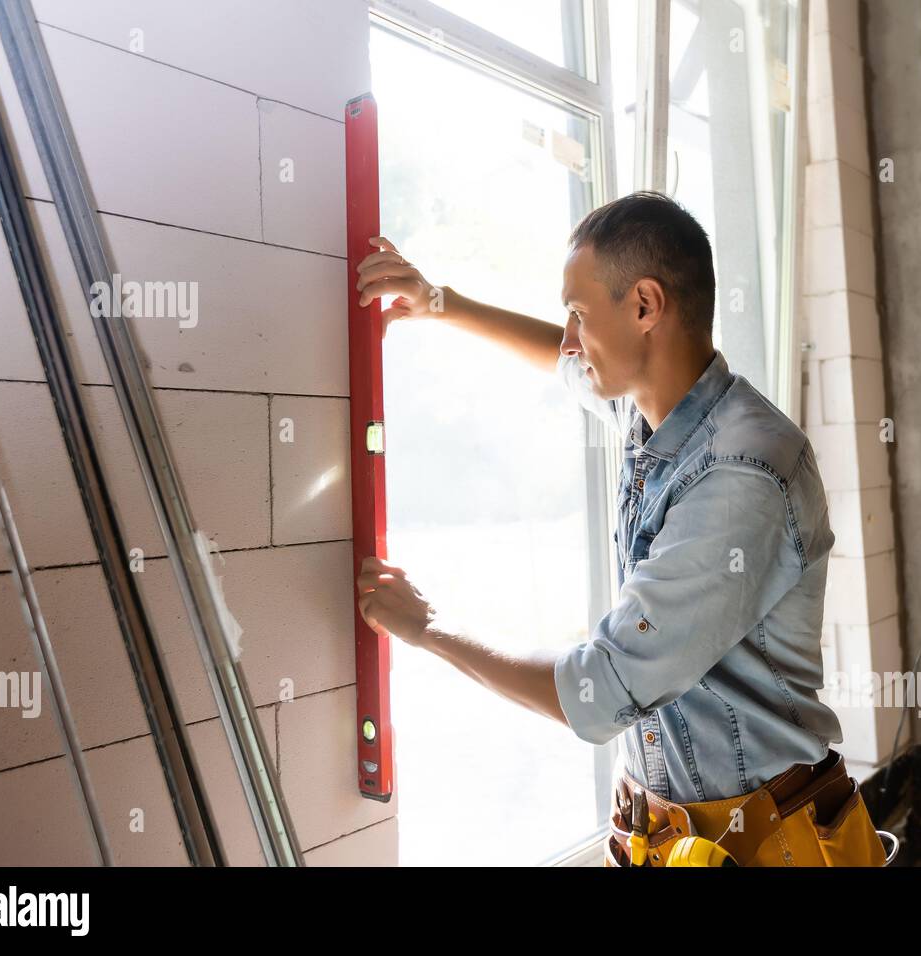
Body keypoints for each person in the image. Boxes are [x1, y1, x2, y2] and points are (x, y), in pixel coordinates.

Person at [352, 191, 886, 867]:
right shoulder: (654, 413)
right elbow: (563, 361)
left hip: (769, 847)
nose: (571, 338)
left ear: (644, 306)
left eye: (578, 314)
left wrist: (429, 628)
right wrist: (439, 304)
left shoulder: (741, 474)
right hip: (670, 841)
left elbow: (599, 691)